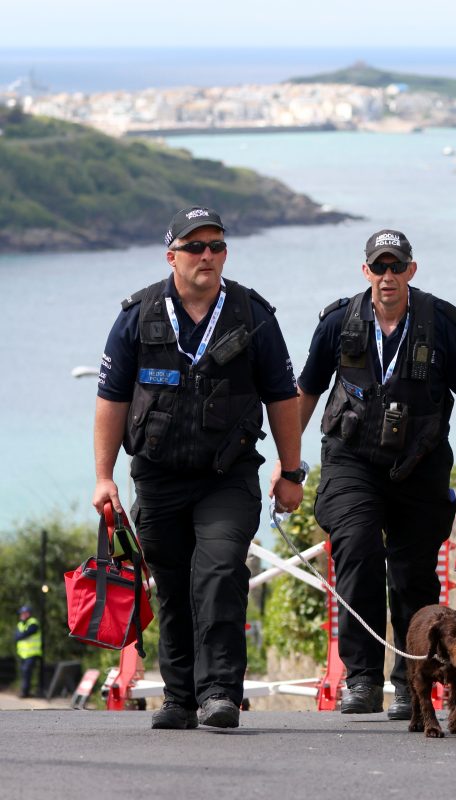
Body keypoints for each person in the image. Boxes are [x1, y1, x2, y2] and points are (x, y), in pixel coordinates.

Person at [93, 206, 304, 730]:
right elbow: (111, 399)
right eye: (194, 247)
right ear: (172, 257)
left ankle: (219, 693)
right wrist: (103, 477)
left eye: (216, 246)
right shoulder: (138, 315)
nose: (206, 255)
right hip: (158, 477)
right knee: (171, 585)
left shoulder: (253, 316)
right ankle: (180, 696)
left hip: (226, 476)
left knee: (218, 571)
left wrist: (292, 472)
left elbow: (282, 397)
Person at [292, 229, 456, 720]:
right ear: (364, 271)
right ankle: (362, 678)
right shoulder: (338, 323)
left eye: (396, 267)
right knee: (359, 546)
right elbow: (304, 392)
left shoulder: (443, 322)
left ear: (412, 270)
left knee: (413, 577)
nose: (387, 276)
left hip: (421, 463)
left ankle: (410, 681)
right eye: (378, 267)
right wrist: (289, 463)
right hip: (352, 460)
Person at [14, 605, 42, 699]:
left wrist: (21, 635)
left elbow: (26, 633)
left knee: (26, 671)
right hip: (22, 654)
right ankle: (26, 691)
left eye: (24, 613)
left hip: (32, 653)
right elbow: (16, 637)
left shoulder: (33, 622)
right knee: (24, 673)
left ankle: (25, 692)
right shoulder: (20, 624)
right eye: (21, 613)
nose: (22, 615)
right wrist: (21, 635)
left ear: (28, 613)